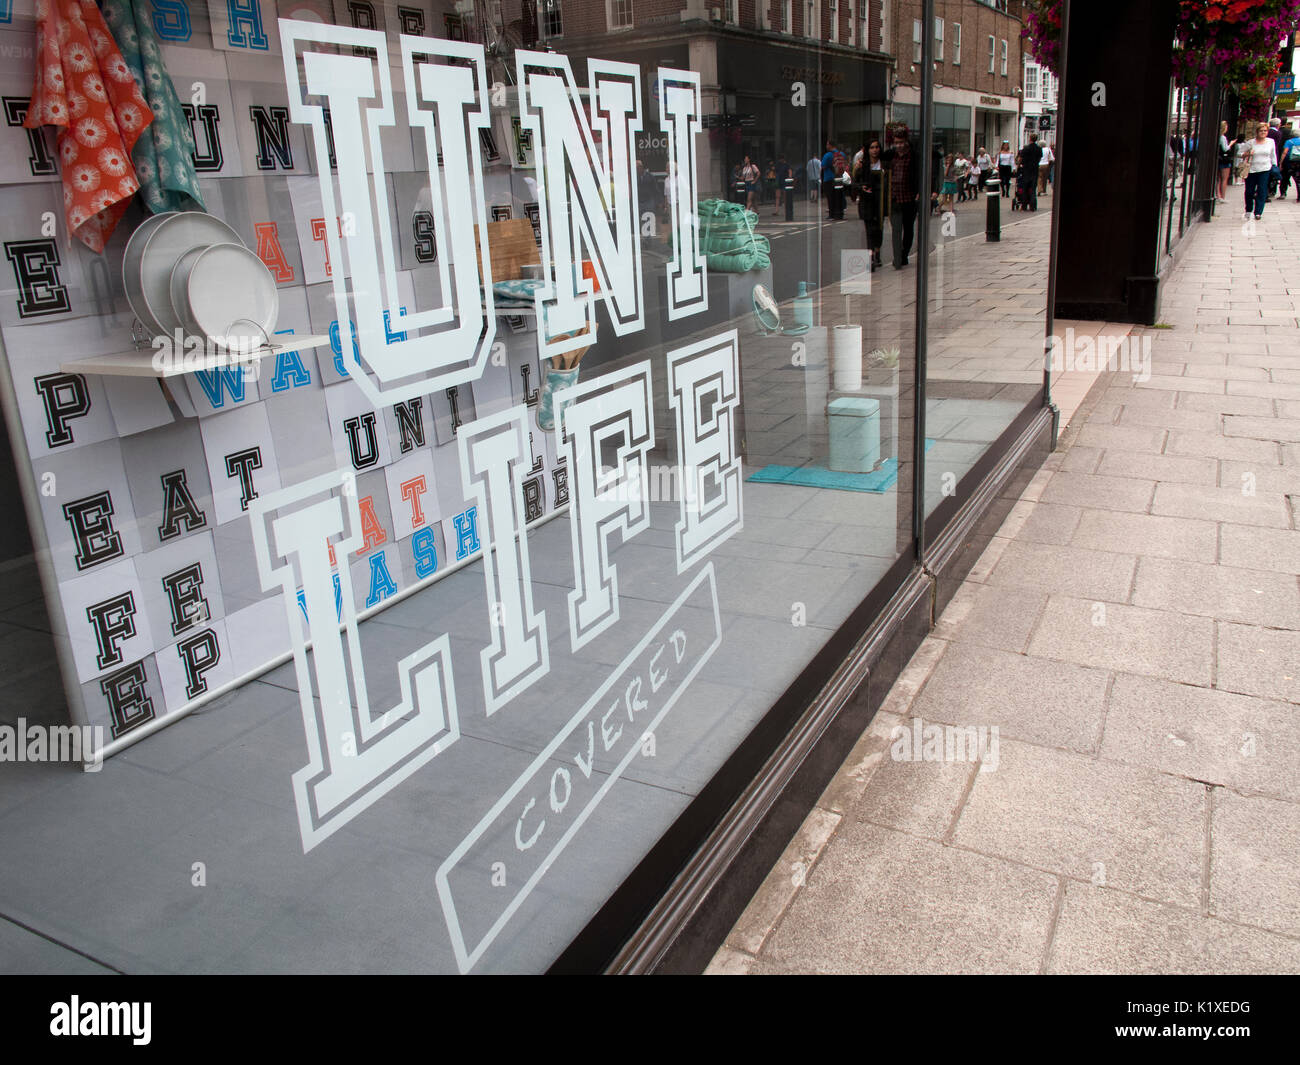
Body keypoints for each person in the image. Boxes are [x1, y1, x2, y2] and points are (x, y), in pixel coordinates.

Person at [881, 126, 919, 269]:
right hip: (895, 198)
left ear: (906, 141)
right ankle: (897, 260)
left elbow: (919, 173)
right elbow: (878, 157)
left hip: (909, 198)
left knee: (908, 229)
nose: (899, 145)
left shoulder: (914, 155)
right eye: (896, 142)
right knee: (896, 230)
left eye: (901, 142)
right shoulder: (891, 155)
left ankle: (904, 255)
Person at [853, 138, 886, 270]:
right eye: (872, 147)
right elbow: (854, 183)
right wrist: (862, 188)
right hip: (867, 201)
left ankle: (877, 252)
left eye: (877, 147)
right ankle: (870, 257)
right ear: (867, 150)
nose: (875, 150)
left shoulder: (884, 164)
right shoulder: (862, 165)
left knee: (879, 229)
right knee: (870, 231)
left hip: (880, 201)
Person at [1242, 121, 1277, 220]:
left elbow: (1273, 155)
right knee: (1249, 191)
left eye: (1265, 131)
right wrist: (1248, 154)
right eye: (1261, 131)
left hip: (1265, 169)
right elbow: (1239, 153)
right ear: (1257, 132)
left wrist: (1275, 166)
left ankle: (1258, 212)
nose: (1263, 132)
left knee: (1262, 190)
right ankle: (1248, 210)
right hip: (1251, 169)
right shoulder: (1251, 142)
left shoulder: (1270, 141)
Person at [1019, 133, 1043, 211]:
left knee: (1025, 188)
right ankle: (1032, 205)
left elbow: (1021, 159)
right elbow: (1039, 159)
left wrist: (1020, 165)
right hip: (1034, 170)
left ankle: (1024, 205)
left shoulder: (1026, 148)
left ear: (1030, 139)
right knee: (1033, 188)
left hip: (1026, 170)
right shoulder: (1039, 148)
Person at [1281, 126, 1300, 201]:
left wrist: (1280, 162)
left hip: (1289, 162)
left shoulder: (1289, 142)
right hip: (1299, 162)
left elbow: (1285, 152)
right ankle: (1299, 196)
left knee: (1285, 178)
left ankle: (1283, 193)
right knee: (1298, 179)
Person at [1216, 120, 1233, 202]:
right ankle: (1222, 197)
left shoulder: (1216, 136)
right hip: (1224, 160)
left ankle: (1217, 195)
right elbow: (1225, 148)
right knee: (1224, 179)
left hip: (1218, 159)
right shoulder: (1223, 137)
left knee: (1217, 179)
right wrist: (1231, 144)